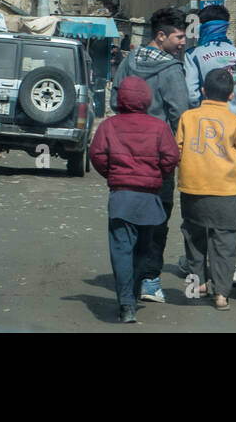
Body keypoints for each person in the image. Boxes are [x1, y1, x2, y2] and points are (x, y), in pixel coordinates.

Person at [183, 3, 236, 288]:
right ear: (226, 26)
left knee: (201, 201)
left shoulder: (194, 55)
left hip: (203, 137)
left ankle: (202, 266)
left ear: (201, 27)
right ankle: (232, 269)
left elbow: (191, 95)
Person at [112, 7, 190, 304]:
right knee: (157, 218)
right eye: (179, 36)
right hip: (158, 161)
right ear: (161, 36)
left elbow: (114, 100)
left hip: (126, 156)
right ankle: (150, 280)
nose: (183, 42)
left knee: (126, 217)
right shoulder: (172, 70)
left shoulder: (129, 61)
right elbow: (180, 116)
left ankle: (128, 276)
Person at [90, 77, 180, 324]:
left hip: (121, 197)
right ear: (147, 99)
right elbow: (171, 157)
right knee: (143, 251)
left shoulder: (109, 126)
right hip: (149, 199)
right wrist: (157, 174)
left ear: (121, 99)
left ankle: (127, 303)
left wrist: (112, 173)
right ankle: (133, 295)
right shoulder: (160, 127)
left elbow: (96, 154)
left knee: (121, 251)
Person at [176, 67, 236, 311]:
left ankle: (196, 285)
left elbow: (178, 149)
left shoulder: (187, 117)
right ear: (231, 95)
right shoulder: (235, 121)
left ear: (203, 91)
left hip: (192, 188)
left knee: (195, 239)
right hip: (226, 191)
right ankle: (221, 295)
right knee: (225, 243)